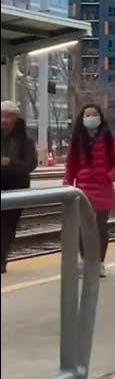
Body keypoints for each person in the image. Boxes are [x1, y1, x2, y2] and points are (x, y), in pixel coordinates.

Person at [62, 104, 115, 277]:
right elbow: (71, 164)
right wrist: (67, 182)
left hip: (103, 188)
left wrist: (110, 176)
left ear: (100, 117)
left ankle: (99, 263)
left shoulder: (109, 138)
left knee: (100, 227)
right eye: (87, 115)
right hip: (82, 189)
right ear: (82, 118)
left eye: (94, 114)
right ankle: (86, 261)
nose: (91, 118)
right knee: (82, 228)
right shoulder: (77, 139)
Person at [1, 100, 38, 274]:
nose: (3, 120)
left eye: (8, 116)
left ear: (15, 118)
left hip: (16, 188)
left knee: (8, 225)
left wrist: (10, 162)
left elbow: (30, 164)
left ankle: (1, 260)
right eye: (1, 115)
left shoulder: (25, 141)